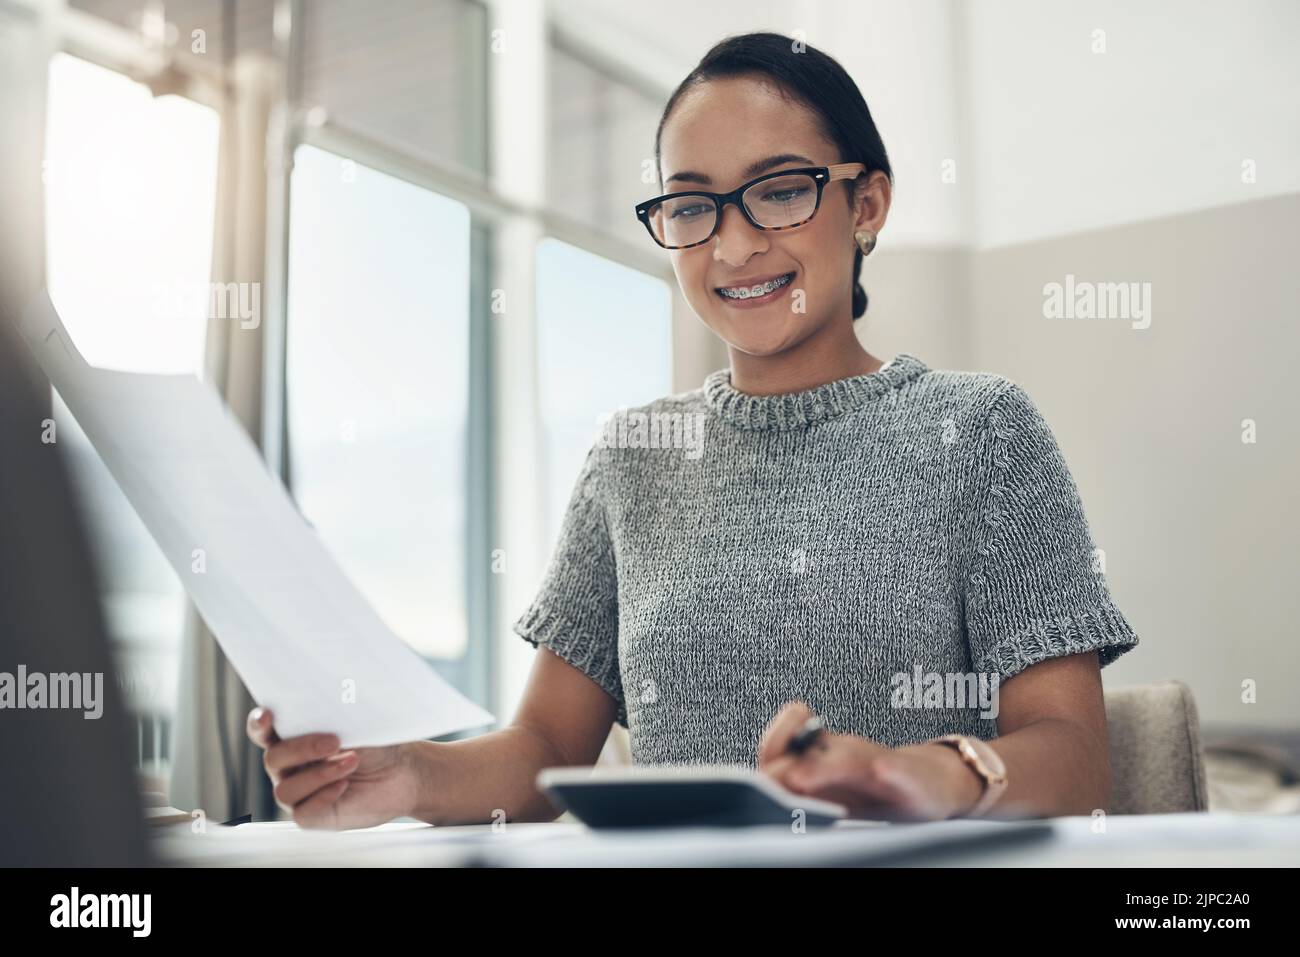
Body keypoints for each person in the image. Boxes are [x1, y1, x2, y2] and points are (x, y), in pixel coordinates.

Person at [248, 31, 1139, 827]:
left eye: (780, 191)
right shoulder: (632, 456)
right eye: (691, 206)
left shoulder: (979, 429)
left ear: (866, 205)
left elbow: (1073, 754)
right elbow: (541, 754)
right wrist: (401, 776)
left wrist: (921, 777)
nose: (733, 247)